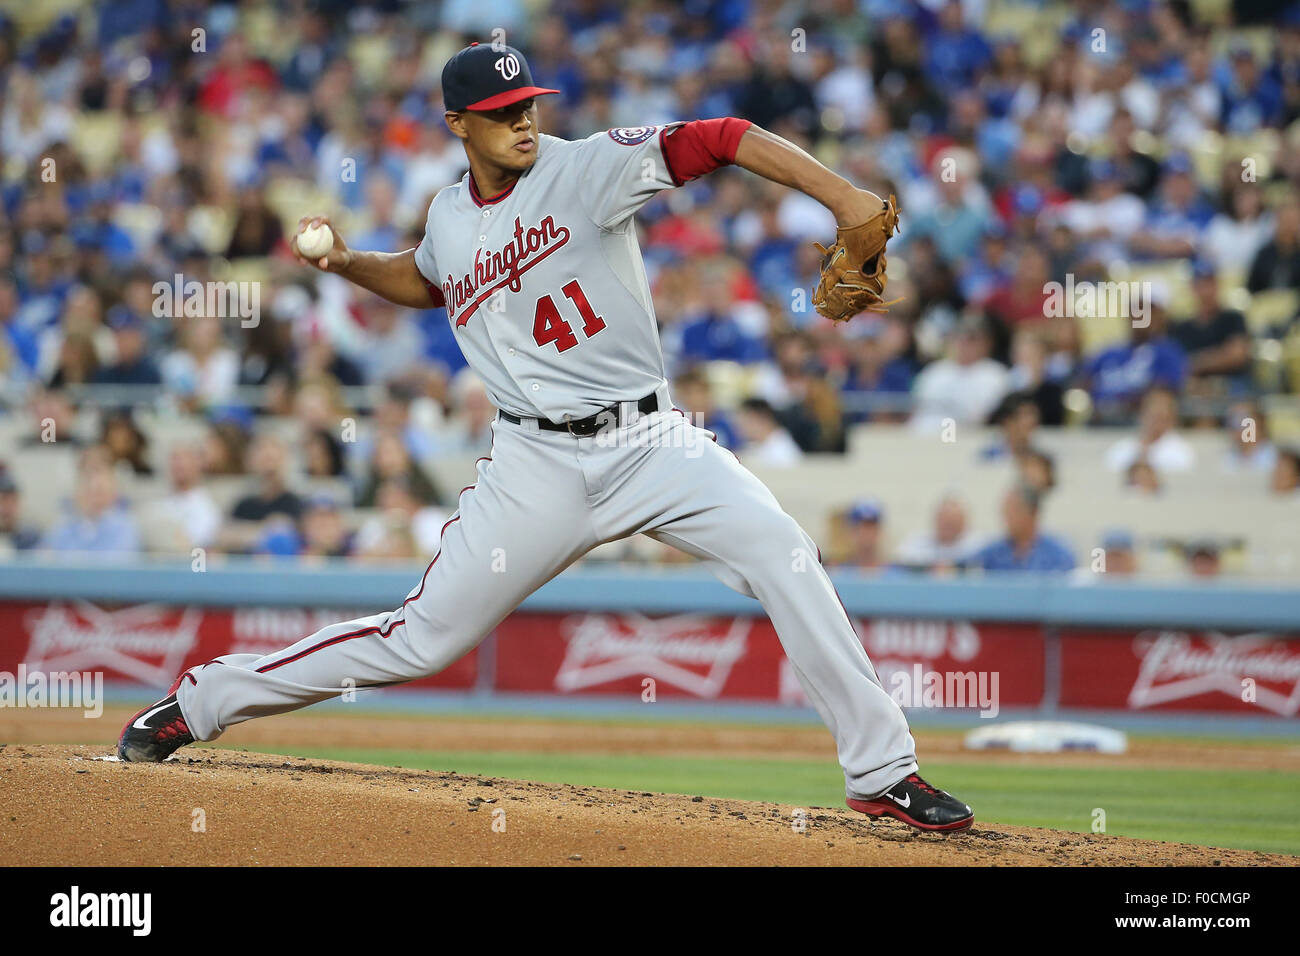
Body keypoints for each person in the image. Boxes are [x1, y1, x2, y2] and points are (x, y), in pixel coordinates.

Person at [118, 42, 973, 832]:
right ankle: (202, 703)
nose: (523, 119)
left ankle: (882, 770)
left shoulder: (587, 166)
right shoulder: (450, 215)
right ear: (458, 125)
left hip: (652, 444)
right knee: (421, 639)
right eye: (501, 110)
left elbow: (722, 135)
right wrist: (347, 263)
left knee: (784, 555)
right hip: (534, 463)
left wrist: (845, 198)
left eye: (527, 102)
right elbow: (426, 280)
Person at [969, 484, 1075, 573]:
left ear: (1033, 512)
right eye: (1005, 511)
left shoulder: (1058, 555)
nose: (1006, 517)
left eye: (1013, 511)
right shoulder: (993, 553)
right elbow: (963, 567)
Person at [1104, 387, 1195, 474]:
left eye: (1161, 417)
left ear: (1172, 419)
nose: (1156, 423)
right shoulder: (1122, 448)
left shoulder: (1181, 452)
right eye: (1152, 415)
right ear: (1142, 414)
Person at [895, 494, 979, 572]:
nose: (949, 527)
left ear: (964, 523)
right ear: (936, 520)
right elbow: (902, 562)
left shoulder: (976, 546)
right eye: (945, 522)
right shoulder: (915, 543)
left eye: (953, 522)